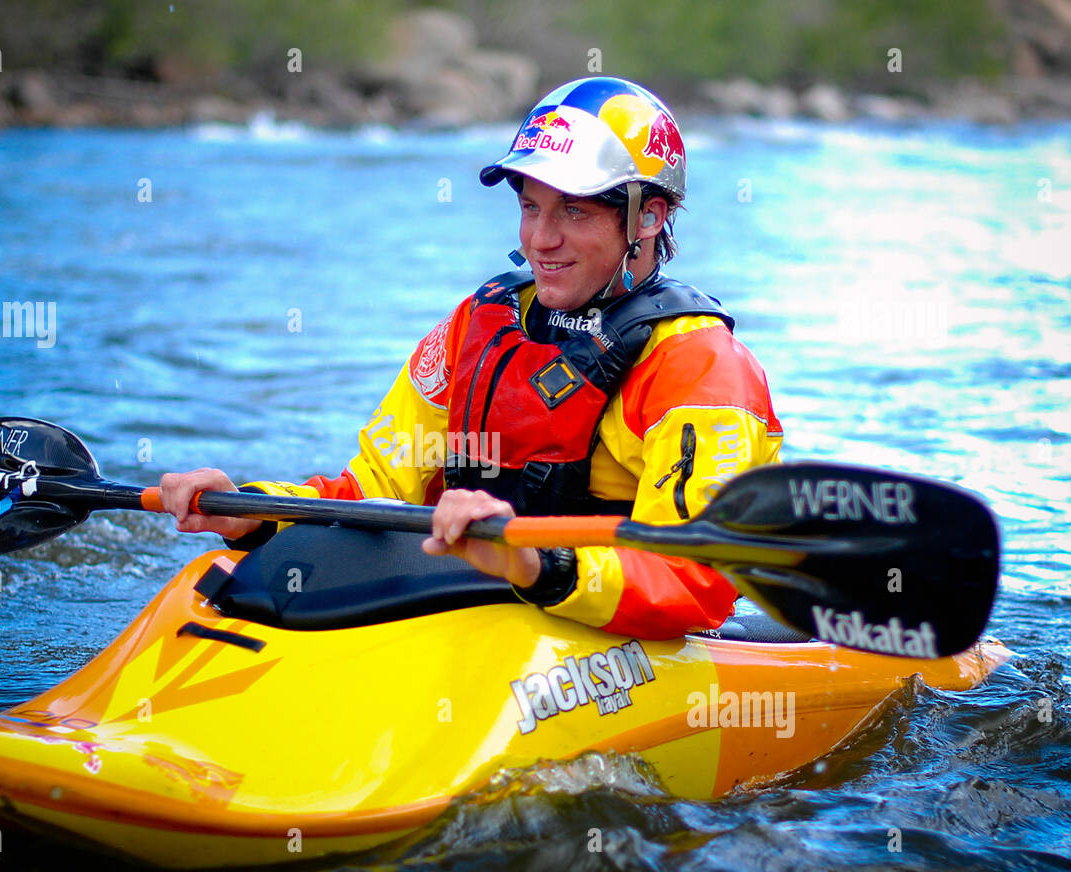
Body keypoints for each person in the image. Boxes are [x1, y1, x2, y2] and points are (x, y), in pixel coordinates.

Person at [160, 77, 782, 640]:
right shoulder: (477, 327)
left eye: (574, 210)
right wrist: (252, 511)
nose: (541, 239)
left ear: (649, 216)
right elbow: (373, 490)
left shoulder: (701, 366)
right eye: (531, 206)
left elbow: (691, 578)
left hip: (625, 636)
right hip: (483, 605)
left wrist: (530, 562)